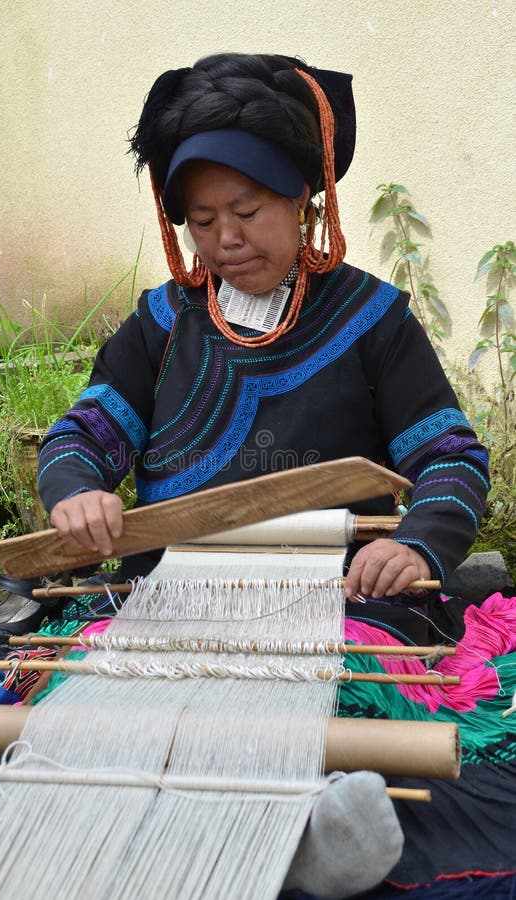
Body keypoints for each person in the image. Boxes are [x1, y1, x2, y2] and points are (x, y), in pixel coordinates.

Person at [35, 54, 489, 897]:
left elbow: (449, 457)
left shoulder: (372, 320)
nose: (225, 239)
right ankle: (0, 836)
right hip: (173, 599)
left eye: (246, 210)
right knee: (96, 697)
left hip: (339, 598)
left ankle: (307, 839)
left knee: (339, 702)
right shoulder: (163, 322)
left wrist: (421, 546)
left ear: (305, 201)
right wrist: (78, 489)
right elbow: (84, 432)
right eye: (201, 220)